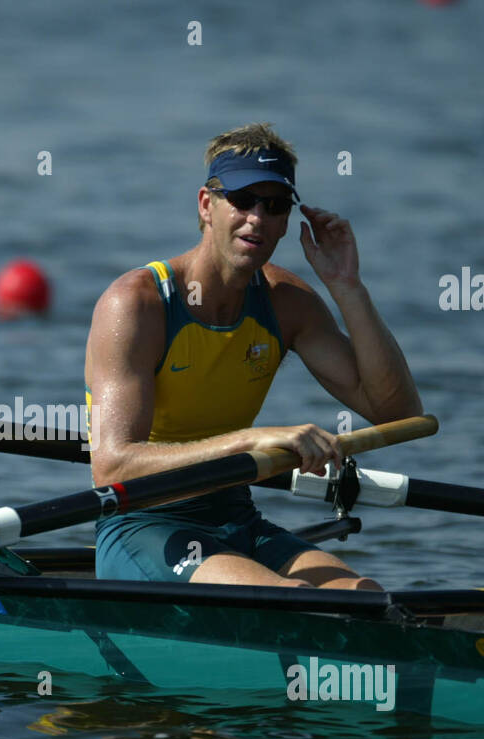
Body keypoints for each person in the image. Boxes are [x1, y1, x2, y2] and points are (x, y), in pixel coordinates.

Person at [84, 123, 423, 589]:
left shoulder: (287, 303)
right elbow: (112, 465)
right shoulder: (137, 304)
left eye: (275, 205)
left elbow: (397, 414)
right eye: (242, 201)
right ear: (207, 205)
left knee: (362, 596)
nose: (257, 218)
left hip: (237, 519)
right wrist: (249, 441)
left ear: (287, 220)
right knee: (296, 601)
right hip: (145, 526)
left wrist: (347, 286)